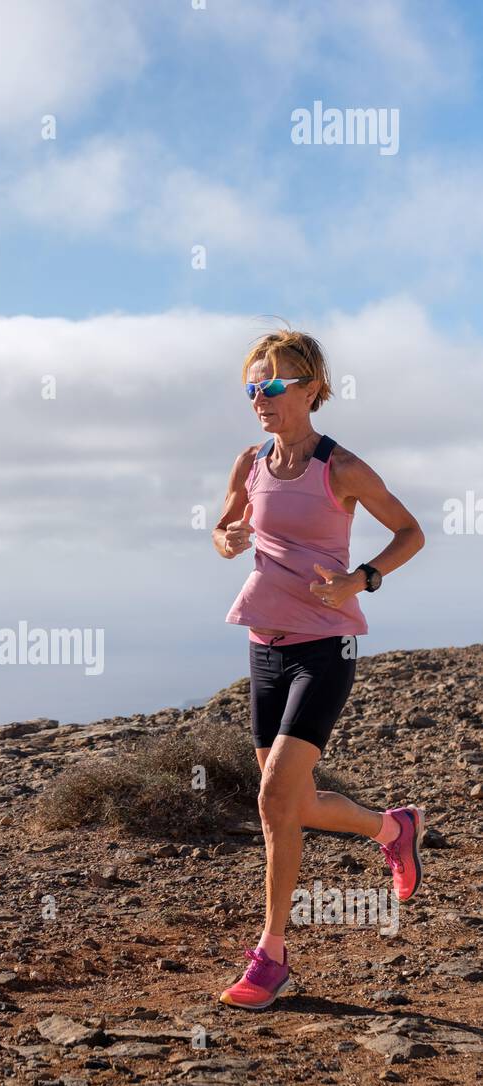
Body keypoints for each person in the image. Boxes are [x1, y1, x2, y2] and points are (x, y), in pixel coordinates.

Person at [212, 328, 426, 1009]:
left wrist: (359, 580)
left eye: (272, 386)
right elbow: (223, 530)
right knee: (293, 804)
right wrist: (227, 537)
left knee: (274, 799)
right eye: (251, 387)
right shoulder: (249, 461)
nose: (259, 399)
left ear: (309, 389)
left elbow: (411, 531)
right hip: (265, 648)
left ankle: (270, 957)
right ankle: (394, 829)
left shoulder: (341, 468)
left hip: (326, 647)